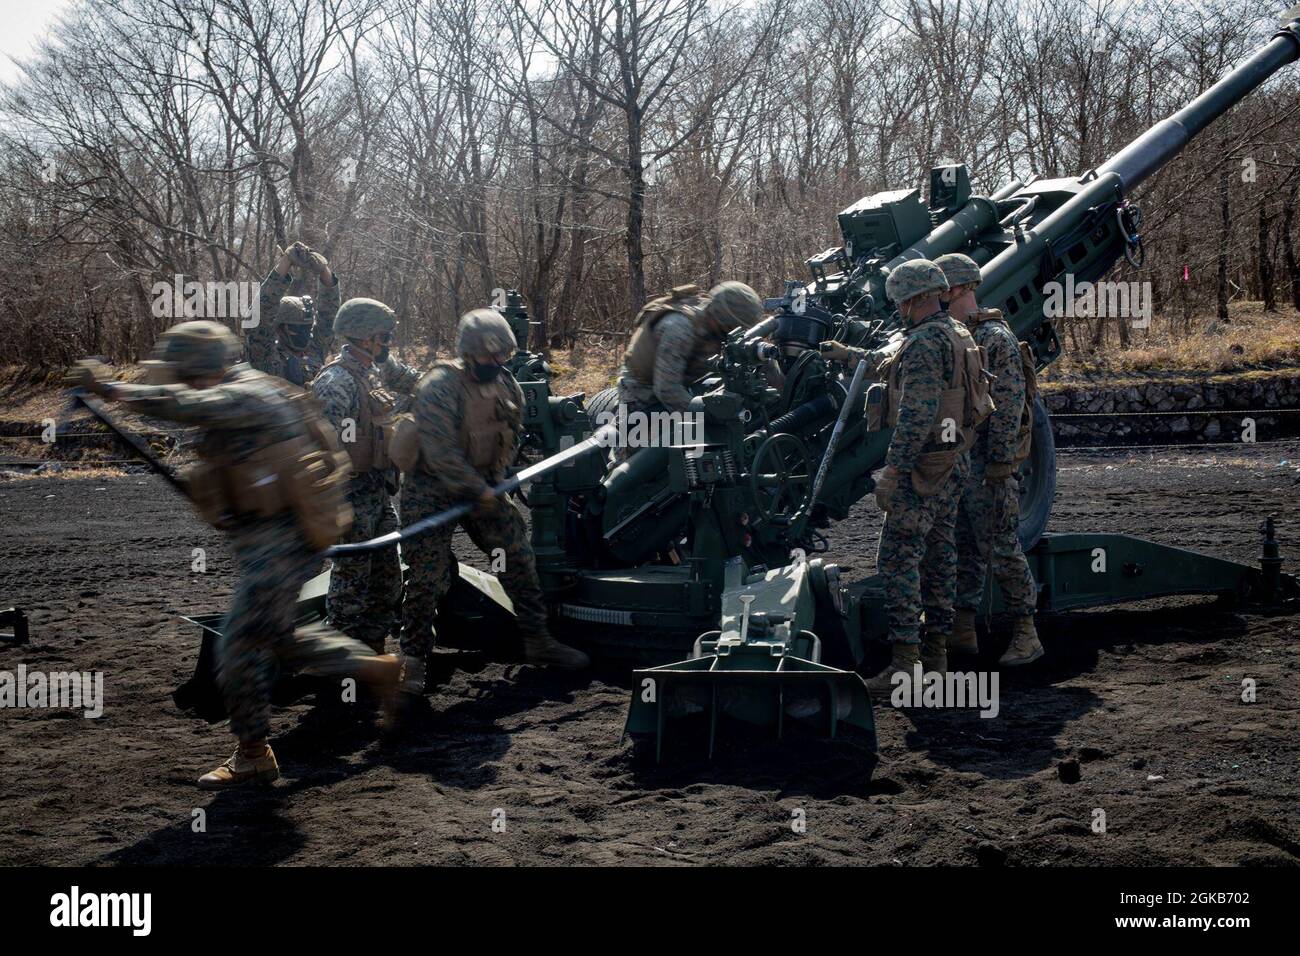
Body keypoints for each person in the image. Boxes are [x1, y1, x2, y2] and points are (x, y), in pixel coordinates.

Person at [66, 321, 399, 789]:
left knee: (238, 643)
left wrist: (108, 389)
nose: (181, 382)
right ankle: (376, 669)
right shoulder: (247, 388)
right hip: (278, 536)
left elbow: (184, 405)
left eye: (185, 373)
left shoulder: (244, 394)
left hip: (283, 540)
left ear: (201, 369)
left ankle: (253, 752)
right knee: (278, 635)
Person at [397, 309, 589, 698]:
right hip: (431, 490)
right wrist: (476, 488)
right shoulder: (440, 385)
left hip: (484, 487)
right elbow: (440, 452)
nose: (498, 363)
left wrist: (495, 482)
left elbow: (511, 433)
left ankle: (537, 639)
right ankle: (413, 659)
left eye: (503, 355)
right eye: (490, 356)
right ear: (469, 353)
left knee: (516, 553)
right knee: (427, 577)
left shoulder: (507, 383)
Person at [864, 259, 981, 694]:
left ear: (913, 299)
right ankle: (937, 655)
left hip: (924, 469)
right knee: (940, 554)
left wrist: (894, 472)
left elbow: (916, 414)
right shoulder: (959, 334)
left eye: (900, 302)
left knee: (897, 558)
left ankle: (906, 663)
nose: (898, 310)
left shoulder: (922, 345)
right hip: (955, 462)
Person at [934, 253, 1044, 667]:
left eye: (943, 293)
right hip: (963, 464)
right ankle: (963, 630)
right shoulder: (959, 335)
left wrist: (999, 464)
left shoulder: (995, 338)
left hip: (988, 467)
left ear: (959, 290)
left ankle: (1026, 633)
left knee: (1001, 547)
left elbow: (1010, 404)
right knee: (965, 547)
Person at [312, 297, 420, 652]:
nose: (388, 344)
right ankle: (340, 656)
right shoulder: (335, 381)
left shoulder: (373, 371)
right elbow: (320, 446)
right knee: (351, 580)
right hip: (348, 492)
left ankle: (372, 648)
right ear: (366, 337)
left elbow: (413, 383)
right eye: (384, 337)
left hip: (376, 490)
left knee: (387, 576)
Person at [614, 281, 764, 458]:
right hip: (641, 392)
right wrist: (708, 416)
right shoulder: (679, 328)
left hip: (685, 384)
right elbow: (667, 389)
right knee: (635, 461)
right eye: (730, 327)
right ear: (720, 318)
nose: (731, 333)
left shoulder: (717, 328)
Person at [246, 241, 338, 387]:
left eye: (308, 328)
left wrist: (324, 270)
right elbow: (259, 315)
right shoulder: (265, 356)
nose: (305, 334)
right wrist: (286, 261)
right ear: (280, 327)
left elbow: (329, 315)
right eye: (298, 328)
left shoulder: (315, 350)